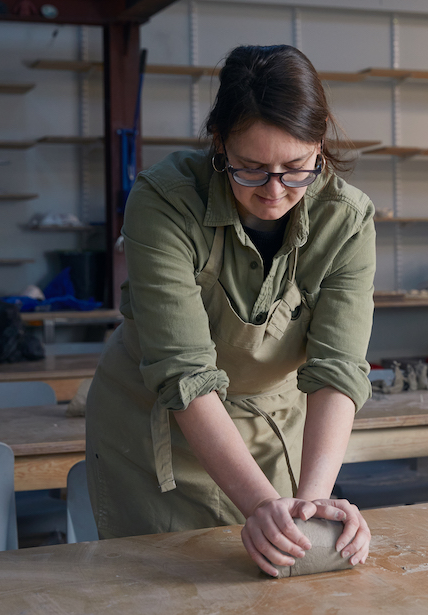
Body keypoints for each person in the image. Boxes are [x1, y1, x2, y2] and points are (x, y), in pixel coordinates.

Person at [86, 44, 375, 576]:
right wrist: (261, 504)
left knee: (280, 573)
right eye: (250, 169)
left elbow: (337, 368)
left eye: (296, 168)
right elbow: (184, 372)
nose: (274, 191)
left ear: (320, 145)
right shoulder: (166, 201)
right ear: (219, 146)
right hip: (160, 439)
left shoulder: (347, 219)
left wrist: (309, 507)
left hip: (272, 425)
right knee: (169, 591)